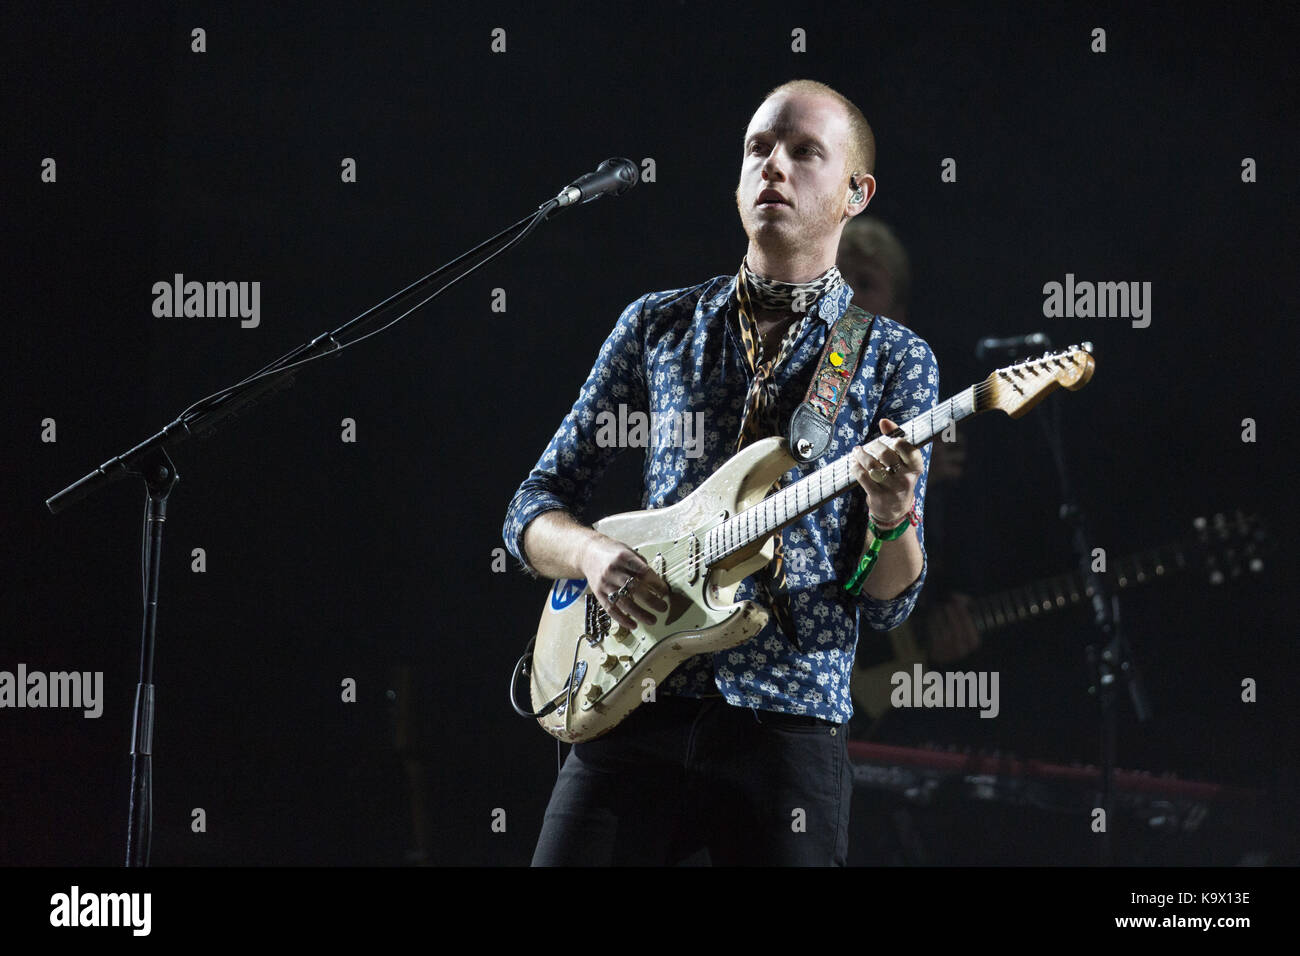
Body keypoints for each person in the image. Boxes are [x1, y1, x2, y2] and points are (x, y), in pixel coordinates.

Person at [503, 79, 940, 865]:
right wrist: (593, 555)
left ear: (855, 193)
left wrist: (891, 510)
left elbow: (888, 600)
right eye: (758, 149)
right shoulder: (658, 324)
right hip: (634, 703)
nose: (775, 165)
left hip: (789, 722)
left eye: (806, 152)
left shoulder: (892, 358)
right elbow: (533, 507)